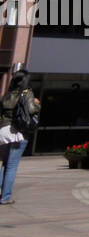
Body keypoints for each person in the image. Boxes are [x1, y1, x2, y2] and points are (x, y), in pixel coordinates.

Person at [0, 63, 40, 206]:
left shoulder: (7, 94)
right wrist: (37, 104)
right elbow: (30, 109)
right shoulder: (26, 93)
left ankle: (2, 193)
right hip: (18, 132)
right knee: (12, 165)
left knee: (5, 163)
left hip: (4, 130)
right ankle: (5, 197)